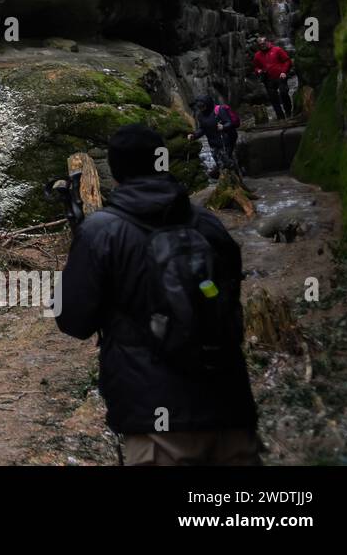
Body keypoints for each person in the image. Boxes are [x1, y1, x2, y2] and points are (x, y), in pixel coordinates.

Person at [56, 124, 259, 465]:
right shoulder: (207, 223)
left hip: (157, 423)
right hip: (230, 409)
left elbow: (72, 319)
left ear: (116, 172)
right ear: (161, 163)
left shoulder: (101, 233)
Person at [189, 95, 240, 176]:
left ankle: (236, 181)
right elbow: (202, 129)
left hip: (226, 142)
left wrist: (223, 127)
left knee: (228, 164)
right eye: (199, 107)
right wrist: (194, 135)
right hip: (213, 144)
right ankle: (228, 182)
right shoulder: (200, 116)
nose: (201, 108)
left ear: (207, 104)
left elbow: (229, 122)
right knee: (220, 164)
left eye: (202, 106)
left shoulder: (219, 110)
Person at [253, 36, 294, 119]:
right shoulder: (257, 55)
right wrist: (259, 71)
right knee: (273, 98)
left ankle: (288, 112)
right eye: (260, 45)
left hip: (280, 76)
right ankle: (280, 116)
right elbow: (256, 67)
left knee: (284, 93)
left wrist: (284, 72)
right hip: (268, 79)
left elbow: (287, 61)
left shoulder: (277, 50)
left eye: (263, 44)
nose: (262, 46)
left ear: (267, 42)